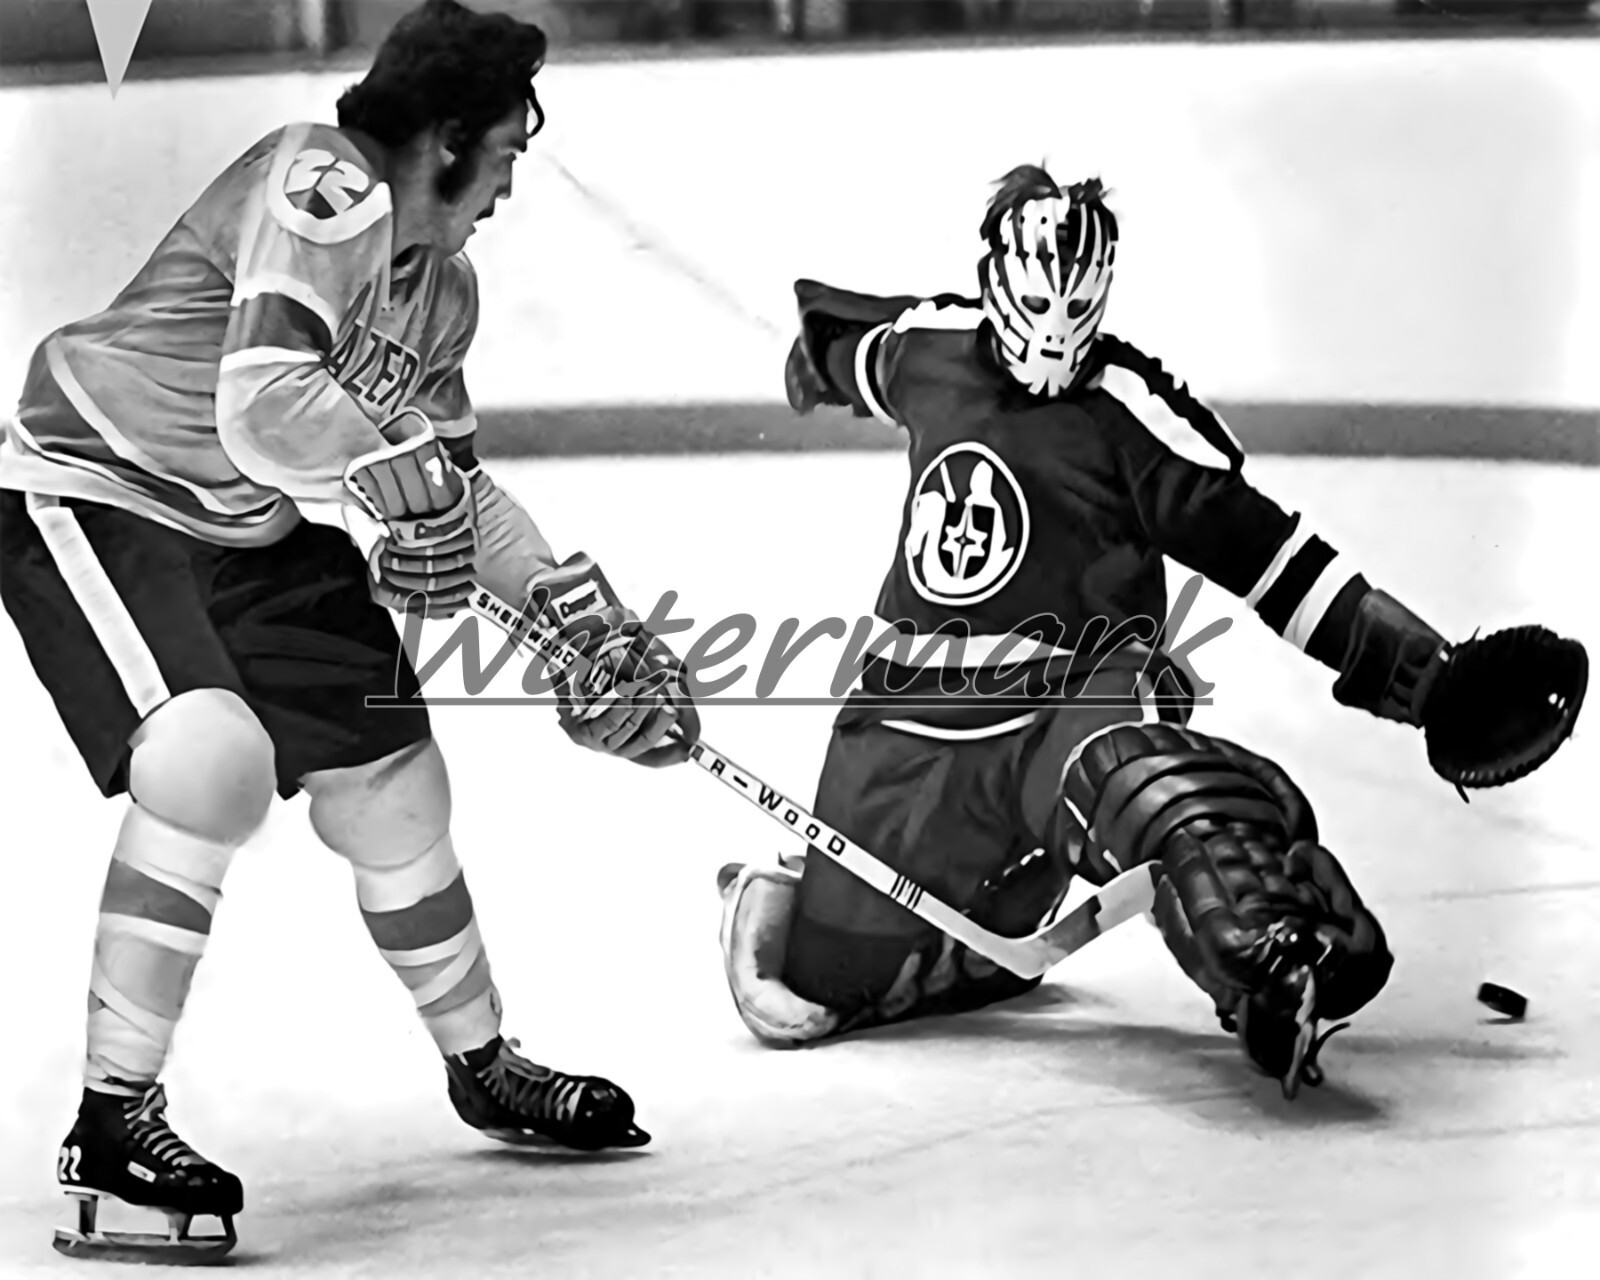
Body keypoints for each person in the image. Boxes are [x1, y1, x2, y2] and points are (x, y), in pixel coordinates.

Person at [0, 0, 698, 1263]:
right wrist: (399, 468)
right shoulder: (320, 175)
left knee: (396, 787)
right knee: (207, 760)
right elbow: (265, 405)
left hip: (246, 529)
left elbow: (454, 486)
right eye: (504, 149)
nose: (508, 182)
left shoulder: (443, 292)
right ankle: (109, 1122)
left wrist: (561, 608)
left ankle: (484, 1064)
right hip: (93, 486)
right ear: (441, 139)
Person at [716, 165, 1585, 1094]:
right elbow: (861, 351)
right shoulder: (933, 348)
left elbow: (1276, 561)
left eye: (1075, 303)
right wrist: (821, 357)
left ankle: (1266, 969)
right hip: (907, 716)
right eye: (1035, 297)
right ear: (992, 276)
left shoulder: (1133, 415)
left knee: (1147, 785)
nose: (1053, 328)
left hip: (1075, 695)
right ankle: (970, 908)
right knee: (836, 981)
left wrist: (1425, 676)